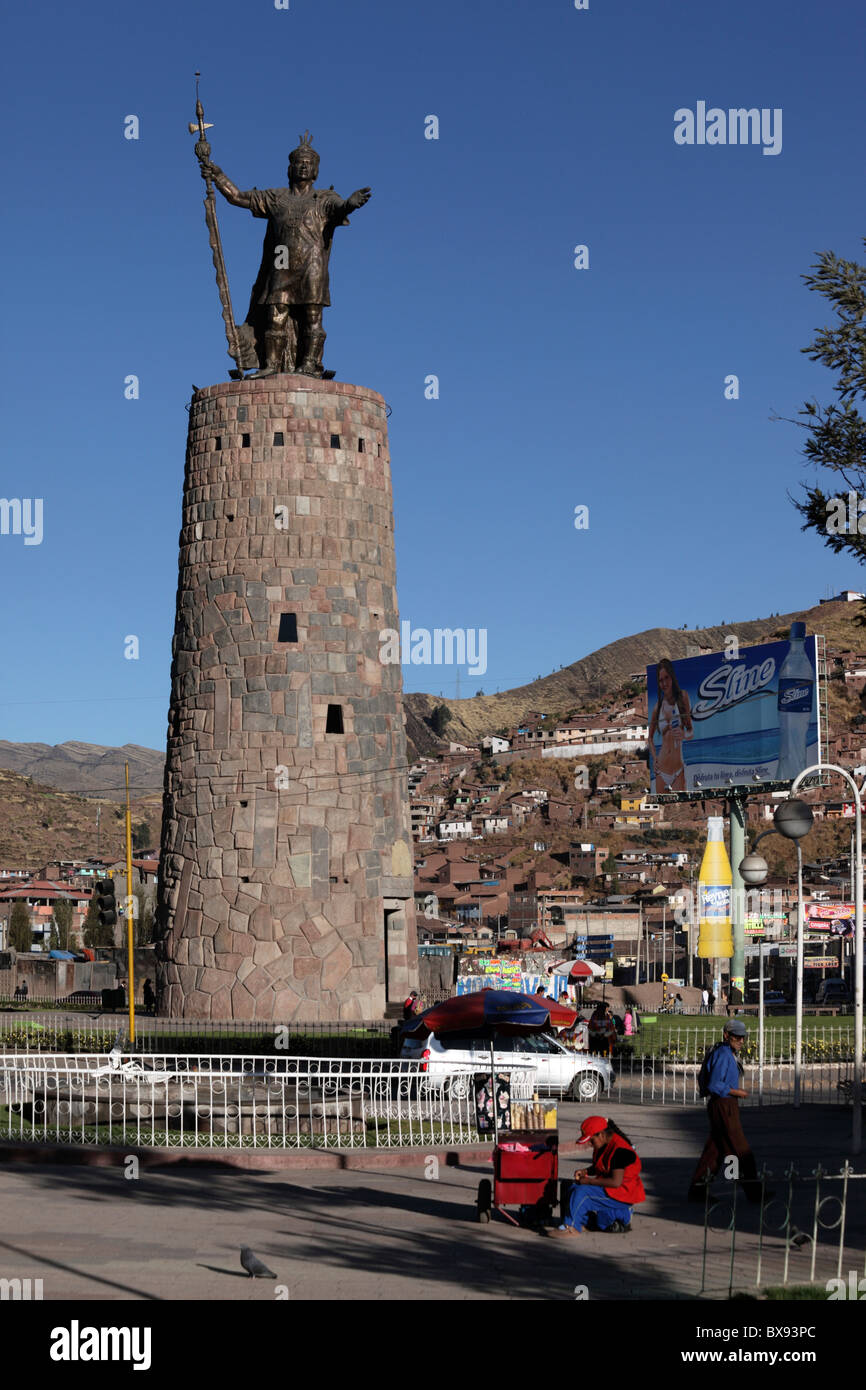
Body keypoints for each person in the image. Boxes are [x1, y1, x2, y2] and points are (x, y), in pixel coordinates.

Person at [201, 133, 372, 378]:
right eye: (299, 162)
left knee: (312, 314)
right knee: (276, 312)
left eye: (309, 163)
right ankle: (270, 365)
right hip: (281, 260)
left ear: (315, 171)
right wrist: (217, 175)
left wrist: (350, 204)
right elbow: (237, 197)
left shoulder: (324, 198)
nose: (304, 165)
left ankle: (309, 364)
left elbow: (340, 208)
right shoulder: (276, 198)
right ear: (289, 168)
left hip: (312, 262)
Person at [688, 1020, 767, 1204]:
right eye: (737, 1037)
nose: (741, 1040)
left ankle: (698, 1191)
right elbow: (715, 1084)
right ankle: (754, 1192)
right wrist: (737, 1092)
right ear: (726, 1035)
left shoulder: (725, 1052)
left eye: (743, 1037)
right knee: (740, 1149)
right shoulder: (723, 1054)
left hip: (722, 1105)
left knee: (714, 1151)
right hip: (724, 1105)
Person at [551, 1116, 646, 1236]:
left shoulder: (620, 1150)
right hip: (611, 1190)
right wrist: (586, 1171)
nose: (590, 1144)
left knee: (582, 1193)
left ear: (601, 1135)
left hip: (622, 1193)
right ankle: (579, 1222)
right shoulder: (602, 1144)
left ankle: (571, 1227)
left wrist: (589, 1182)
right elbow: (602, 1166)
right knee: (570, 1188)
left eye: (591, 1140)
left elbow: (615, 1182)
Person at [647, 658, 693, 793]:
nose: (664, 683)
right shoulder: (657, 707)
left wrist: (684, 735)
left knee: (682, 809)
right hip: (661, 771)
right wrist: (655, 759)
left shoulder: (683, 697)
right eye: (660, 680)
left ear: (672, 677)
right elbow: (649, 738)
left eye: (666, 678)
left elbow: (690, 730)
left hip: (678, 769)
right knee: (663, 809)